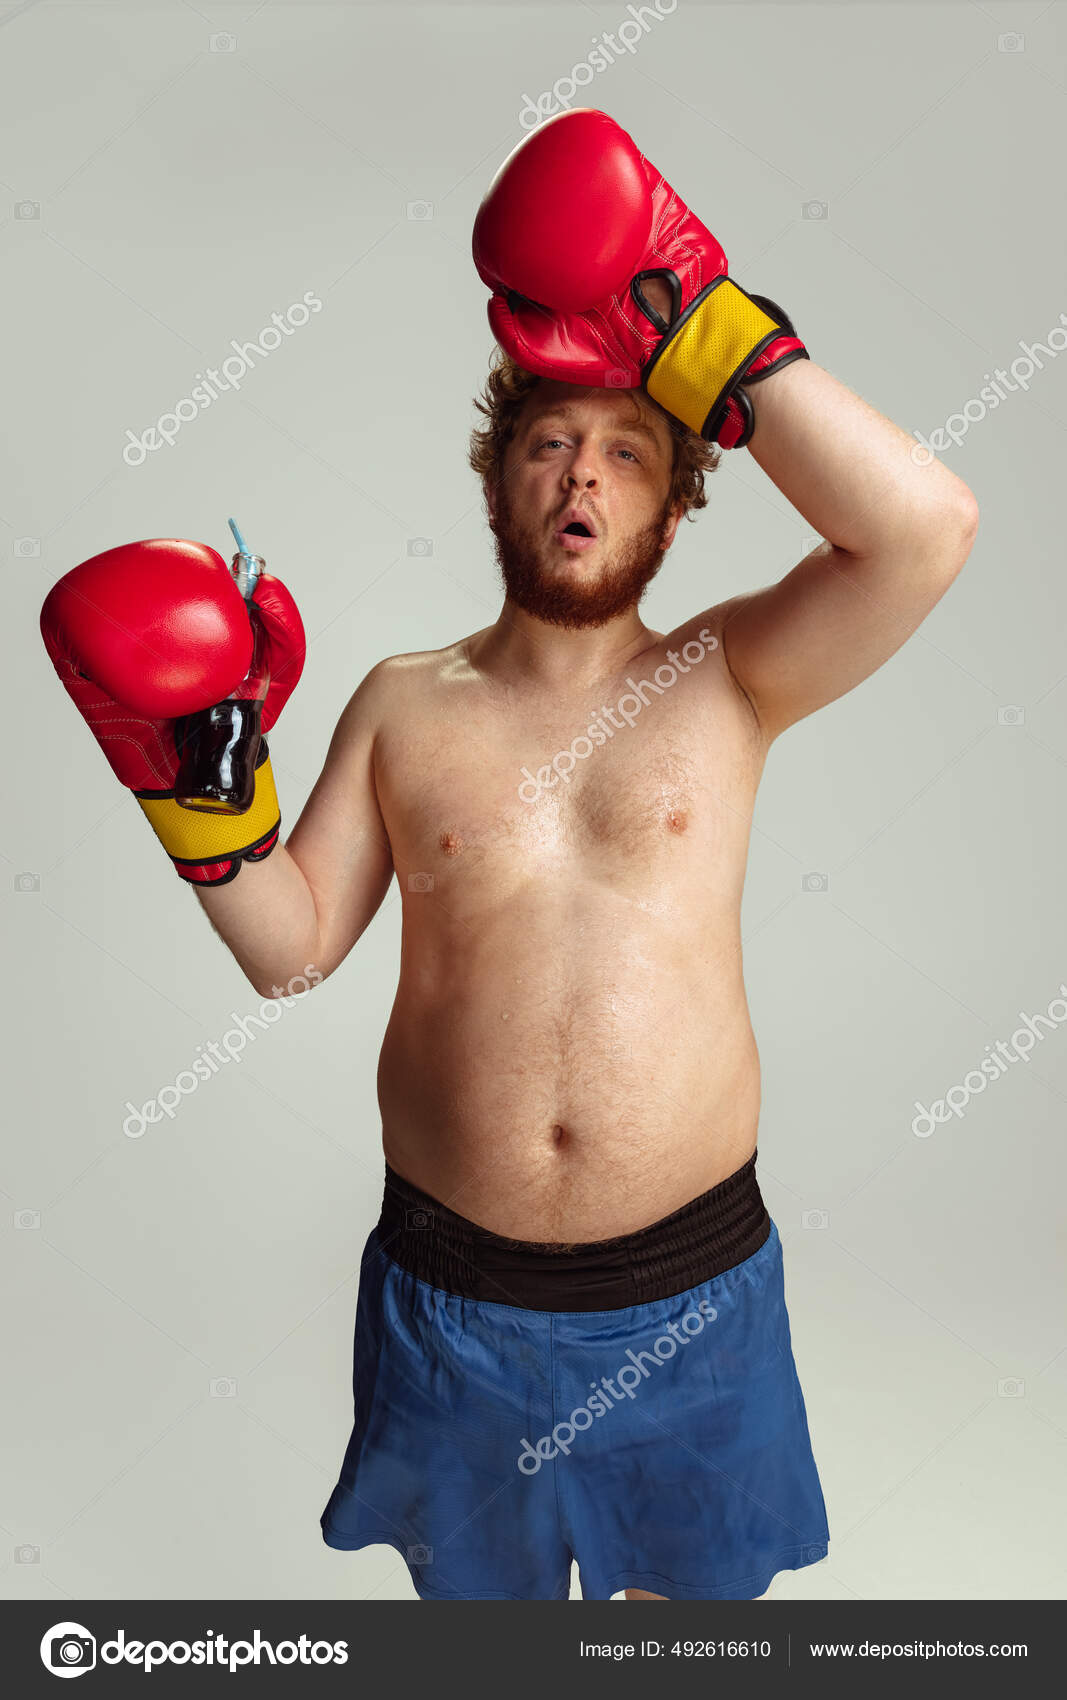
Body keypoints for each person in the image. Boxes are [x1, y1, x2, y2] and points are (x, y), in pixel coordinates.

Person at [41, 111, 977, 1602]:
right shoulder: (405, 704)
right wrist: (194, 793)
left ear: (677, 499)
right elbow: (293, 952)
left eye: (624, 451)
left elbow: (925, 529)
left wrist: (706, 329)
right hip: (455, 1302)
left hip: (689, 1304)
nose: (582, 479)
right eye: (549, 444)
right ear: (497, 480)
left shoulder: (732, 673)